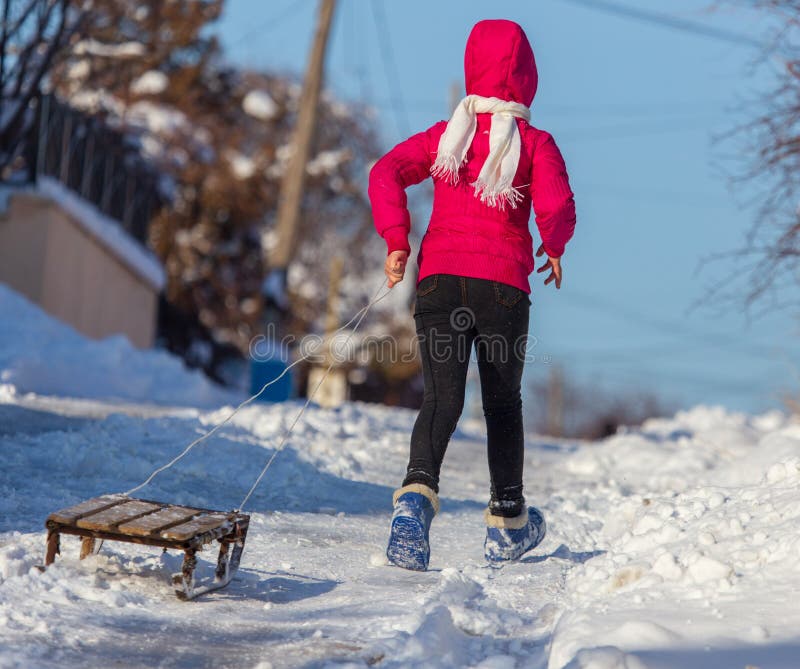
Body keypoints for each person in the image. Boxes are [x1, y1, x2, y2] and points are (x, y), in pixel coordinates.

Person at [368, 19, 576, 570]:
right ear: (528, 76)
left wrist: (396, 240)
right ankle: (508, 522)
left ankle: (414, 502)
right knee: (502, 404)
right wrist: (553, 245)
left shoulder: (446, 137)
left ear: (470, 70)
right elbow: (555, 206)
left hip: (438, 282)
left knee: (442, 399)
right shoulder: (534, 143)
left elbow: (386, 172)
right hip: (503, 290)